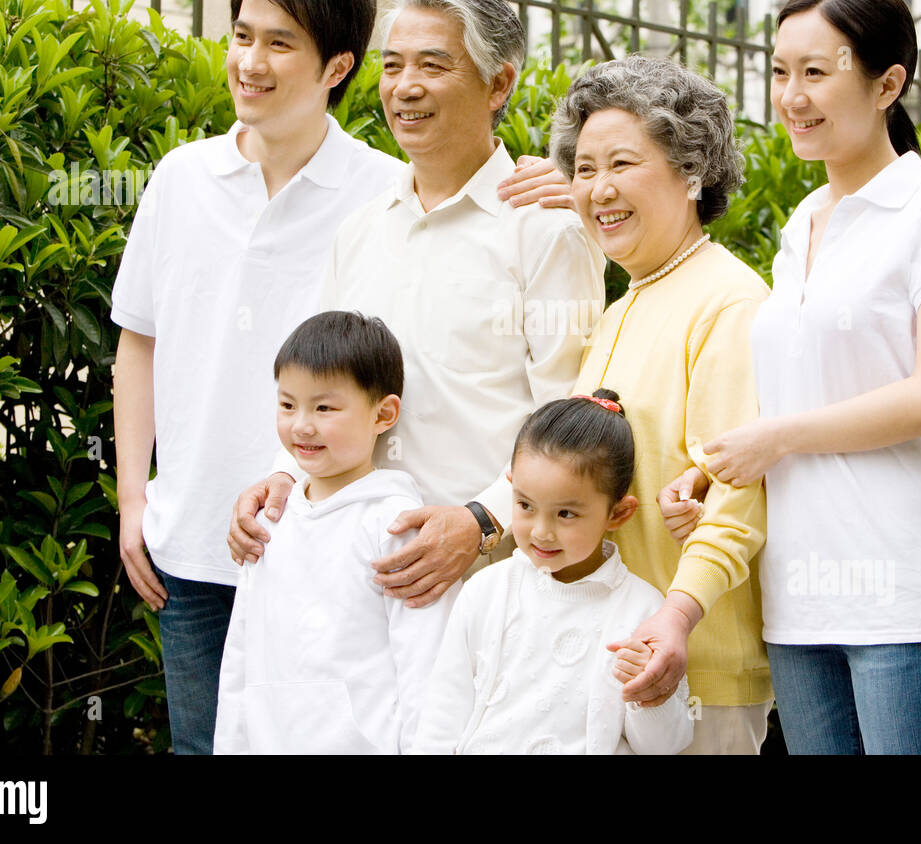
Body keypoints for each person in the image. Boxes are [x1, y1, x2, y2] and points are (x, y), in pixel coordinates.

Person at [111, 0, 563, 754]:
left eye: (280, 43)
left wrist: (568, 184)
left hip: (410, 557)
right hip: (252, 541)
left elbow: (574, 404)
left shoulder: (437, 202)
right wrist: (156, 499)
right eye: (242, 37)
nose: (252, 62)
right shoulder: (217, 187)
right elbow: (149, 347)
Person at [662, 0, 921, 754]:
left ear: (888, 84)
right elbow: (800, 392)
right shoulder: (802, 225)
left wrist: (775, 440)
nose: (791, 95)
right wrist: (712, 471)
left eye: (817, 71)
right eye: (780, 71)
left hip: (907, 605)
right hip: (799, 605)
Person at [226, 0, 606, 604]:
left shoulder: (547, 231)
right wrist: (282, 476)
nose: (405, 87)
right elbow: (323, 387)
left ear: (499, 84)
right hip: (358, 578)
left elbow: (569, 415)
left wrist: (482, 522)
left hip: (487, 585)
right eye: (393, 65)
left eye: (433, 65)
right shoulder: (362, 228)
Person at [538, 55, 773, 754]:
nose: (598, 189)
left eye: (622, 164)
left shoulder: (729, 301)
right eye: (583, 169)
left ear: (692, 173)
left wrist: (674, 619)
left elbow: (739, 498)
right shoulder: (620, 308)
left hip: (695, 667)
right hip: (613, 659)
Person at [214, 312, 455, 754]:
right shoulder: (269, 521)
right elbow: (240, 661)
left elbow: (426, 668)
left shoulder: (396, 526)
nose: (302, 425)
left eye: (324, 408)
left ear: (384, 413)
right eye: (288, 405)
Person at [412, 390, 692, 755]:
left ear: (618, 514)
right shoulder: (487, 590)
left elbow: (664, 747)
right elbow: (442, 715)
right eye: (525, 505)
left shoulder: (644, 611)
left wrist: (647, 693)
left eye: (565, 514)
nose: (541, 531)